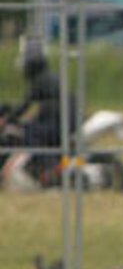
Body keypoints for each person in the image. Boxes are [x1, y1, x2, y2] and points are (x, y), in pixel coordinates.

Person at [1, 38, 75, 191]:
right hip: (62, 119)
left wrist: (8, 119)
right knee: (32, 127)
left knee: (30, 136)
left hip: (56, 121)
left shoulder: (40, 80)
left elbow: (25, 106)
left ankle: (50, 169)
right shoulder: (48, 77)